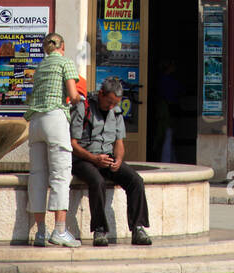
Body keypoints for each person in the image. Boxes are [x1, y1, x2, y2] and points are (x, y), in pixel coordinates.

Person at [70, 77, 152, 246]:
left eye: (114, 103)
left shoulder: (116, 111)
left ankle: (138, 227)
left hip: (106, 157)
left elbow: (119, 143)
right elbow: (72, 144)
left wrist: (118, 160)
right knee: (97, 181)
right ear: (101, 94)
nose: (111, 106)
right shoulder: (83, 107)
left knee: (135, 180)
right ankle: (99, 230)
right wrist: (94, 159)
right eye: (108, 102)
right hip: (85, 158)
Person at [25, 33, 81, 248]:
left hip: (36, 122)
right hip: (55, 119)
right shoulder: (65, 62)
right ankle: (59, 230)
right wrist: (80, 99)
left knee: (37, 175)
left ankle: (40, 232)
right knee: (60, 174)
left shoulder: (39, 67)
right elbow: (72, 93)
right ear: (62, 46)